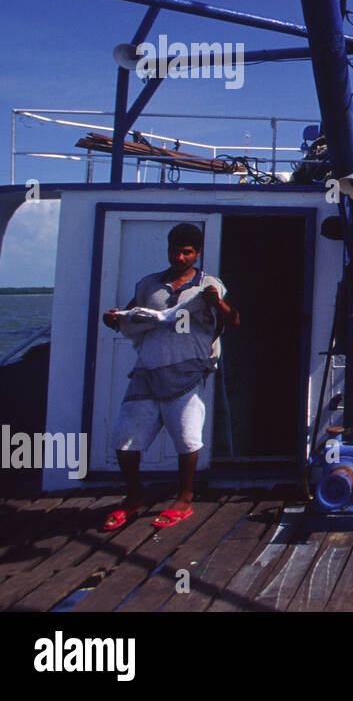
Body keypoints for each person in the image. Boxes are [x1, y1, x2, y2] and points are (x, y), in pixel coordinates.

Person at [99, 223, 238, 530]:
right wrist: (114, 318)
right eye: (175, 250)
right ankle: (134, 498)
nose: (179, 257)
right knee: (124, 440)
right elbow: (131, 316)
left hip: (186, 374)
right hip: (147, 372)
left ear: (197, 253)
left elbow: (233, 319)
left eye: (187, 252)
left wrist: (217, 303)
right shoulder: (149, 284)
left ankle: (184, 499)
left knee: (187, 439)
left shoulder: (209, 285)